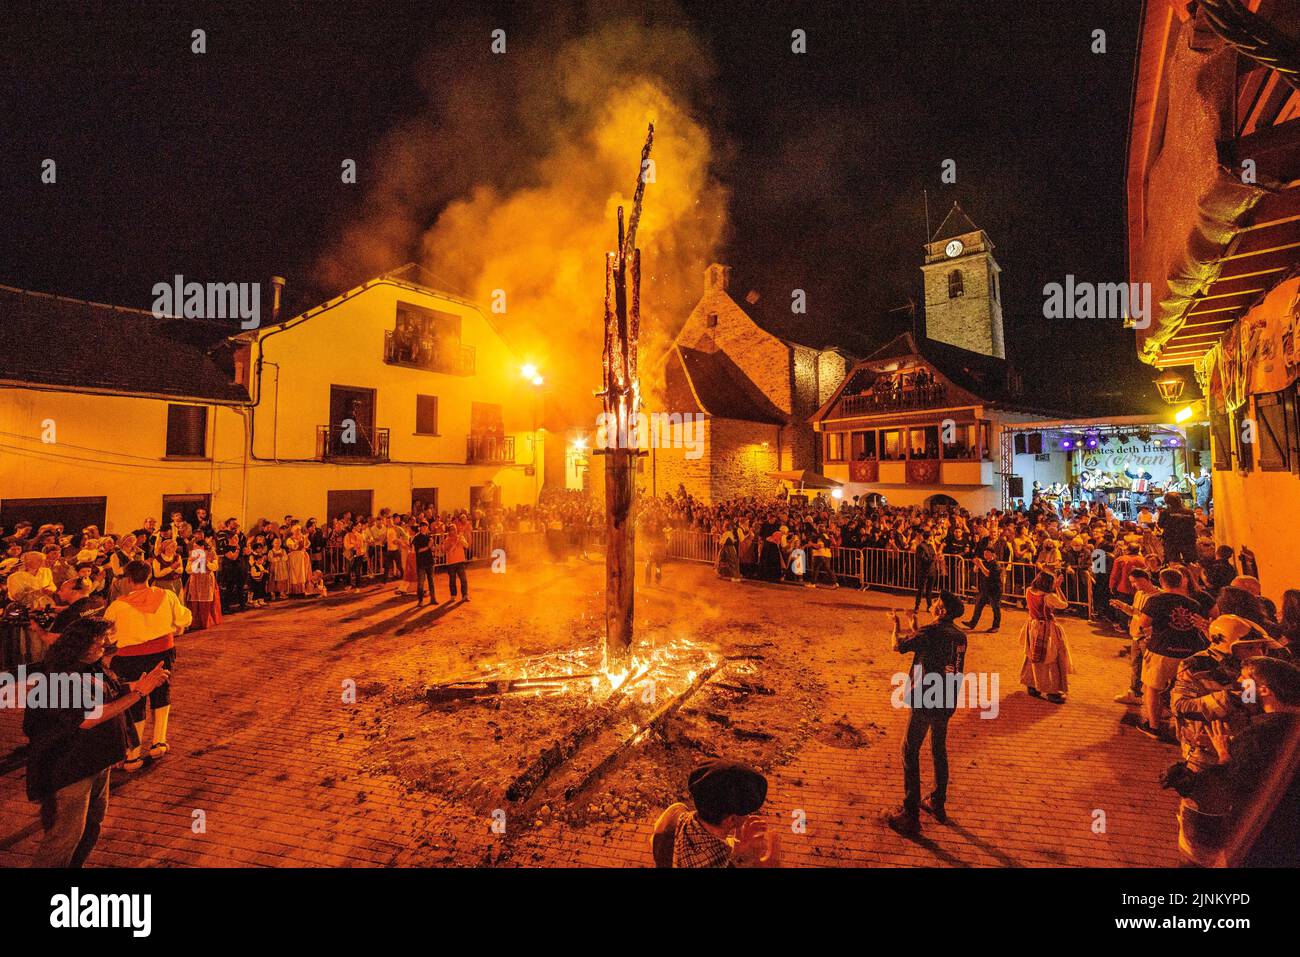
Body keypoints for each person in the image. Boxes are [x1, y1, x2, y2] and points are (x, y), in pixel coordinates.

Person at [24, 618, 170, 867]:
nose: (105, 644)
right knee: (65, 837)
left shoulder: (89, 666)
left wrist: (142, 684)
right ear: (81, 645)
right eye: (99, 641)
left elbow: (110, 690)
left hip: (97, 759)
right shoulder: (59, 678)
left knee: (92, 826)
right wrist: (139, 693)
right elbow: (88, 718)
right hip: (71, 767)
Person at [886, 590, 968, 836]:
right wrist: (916, 627)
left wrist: (896, 625)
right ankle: (937, 802)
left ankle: (910, 814)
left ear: (942, 611)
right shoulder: (960, 636)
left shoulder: (931, 632)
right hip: (946, 698)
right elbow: (932, 645)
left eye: (937, 604)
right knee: (938, 750)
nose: (933, 605)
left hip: (925, 698)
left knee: (909, 751)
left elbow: (898, 646)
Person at [103, 559, 192, 769]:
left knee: (135, 699)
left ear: (128, 579)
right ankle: (158, 741)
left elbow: (109, 635)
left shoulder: (118, 606)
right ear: (149, 576)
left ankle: (132, 754)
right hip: (163, 652)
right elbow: (183, 619)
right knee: (162, 694)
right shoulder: (166, 596)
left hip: (129, 658)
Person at [650, 759, 779, 867]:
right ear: (731, 820)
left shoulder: (674, 813)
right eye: (746, 812)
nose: (748, 816)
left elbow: (653, 840)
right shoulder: (725, 860)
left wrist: (737, 845)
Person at [1132, 568, 1207, 740]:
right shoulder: (1193, 603)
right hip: (1188, 652)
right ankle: (1185, 730)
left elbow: (1144, 623)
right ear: (1182, 581)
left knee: (1152, 688)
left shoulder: (1156, 600)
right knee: (1185, 691)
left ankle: (1154, 726)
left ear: (1162, 582)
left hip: (1161, 650)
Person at [1019, 572, 1072, 704]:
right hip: (1046, 628)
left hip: (1032, 626)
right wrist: (1058, 588)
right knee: (1051, 659)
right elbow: (1064, 604)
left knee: (1033, 656)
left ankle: (1031, 685)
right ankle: (1052, 691)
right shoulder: (1049, 596)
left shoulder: (1029, 591)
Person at [963, 543, 1003, 632]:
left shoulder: (996, 564)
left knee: (995, 608)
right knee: (978, 606)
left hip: (995, 590)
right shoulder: (985, 562)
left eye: (987, 553)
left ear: (992, 554)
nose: (985, 555)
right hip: (985, 589)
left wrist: (980, 564)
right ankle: (972, 623)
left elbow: (987, 574)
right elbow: (975, 571)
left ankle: (996, 626)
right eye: (984, 553)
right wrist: (977, 564)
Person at [411, 521, 438, 607]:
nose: (424, 528)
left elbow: (432, 548)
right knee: (421, 583)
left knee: (431, 581)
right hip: (421, 563)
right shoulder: (416, 538)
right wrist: (428, 547)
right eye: (423, 526)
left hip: (430, 561)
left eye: (426, 526)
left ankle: (433, 599)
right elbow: (418, 550)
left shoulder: (429, 536)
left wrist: (433, 547)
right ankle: (420, 601)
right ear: (420, 527)